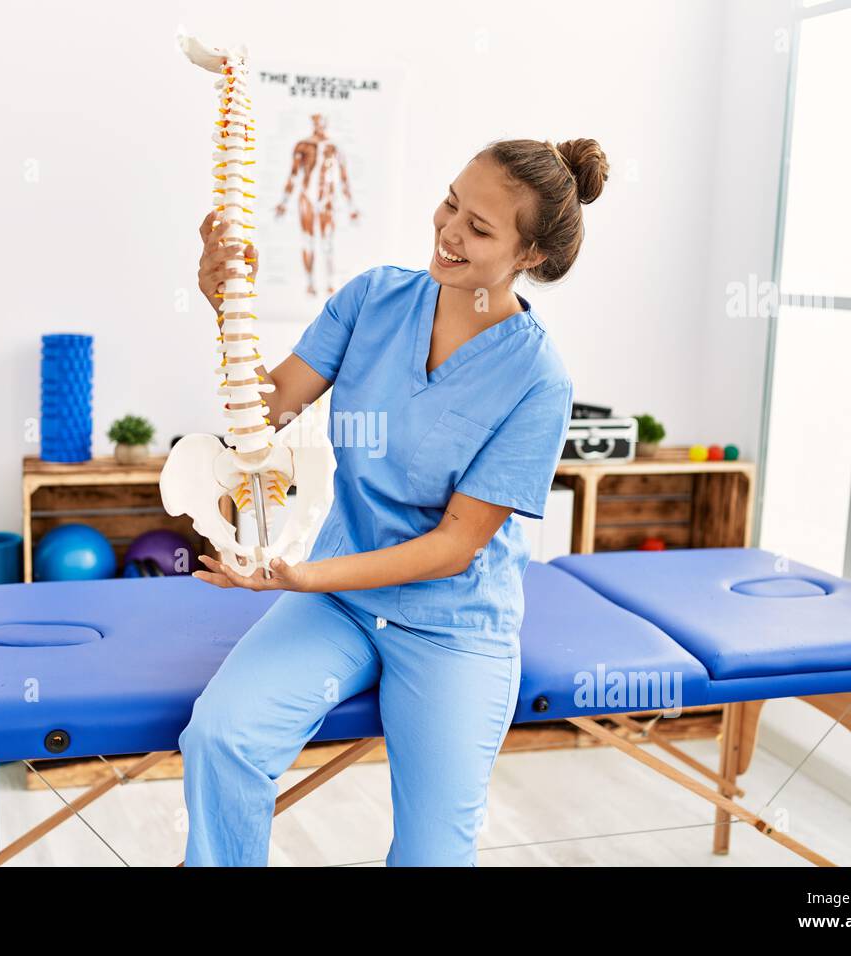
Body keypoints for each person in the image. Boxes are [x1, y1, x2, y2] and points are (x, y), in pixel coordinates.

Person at [180, 137, 608, 866]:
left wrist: (299, 574)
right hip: (340, 601)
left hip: (452, 625)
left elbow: (454, 545)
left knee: (433, 855)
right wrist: (228, 305)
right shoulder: (375, 298)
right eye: (451, 202)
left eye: (480, 227)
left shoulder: (538, 380)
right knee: (222, 738)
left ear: (530, 255)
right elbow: (269, 408)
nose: (449, 231)